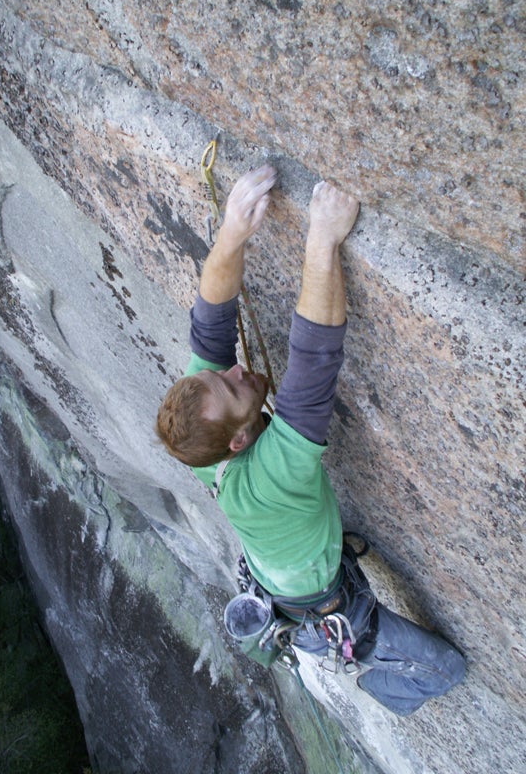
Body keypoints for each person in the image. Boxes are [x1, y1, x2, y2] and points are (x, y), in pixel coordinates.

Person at [156, 165, 465, 715]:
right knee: (447, 669)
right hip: (326, 615)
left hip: (284, 582)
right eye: (233, 387)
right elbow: (311, 366)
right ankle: (377, 687)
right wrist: (322, 240)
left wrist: (232, 231)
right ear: (238, 440)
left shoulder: (201, 440)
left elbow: (210, 322)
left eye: (220, 375)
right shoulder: (271, 479)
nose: (234, 371)